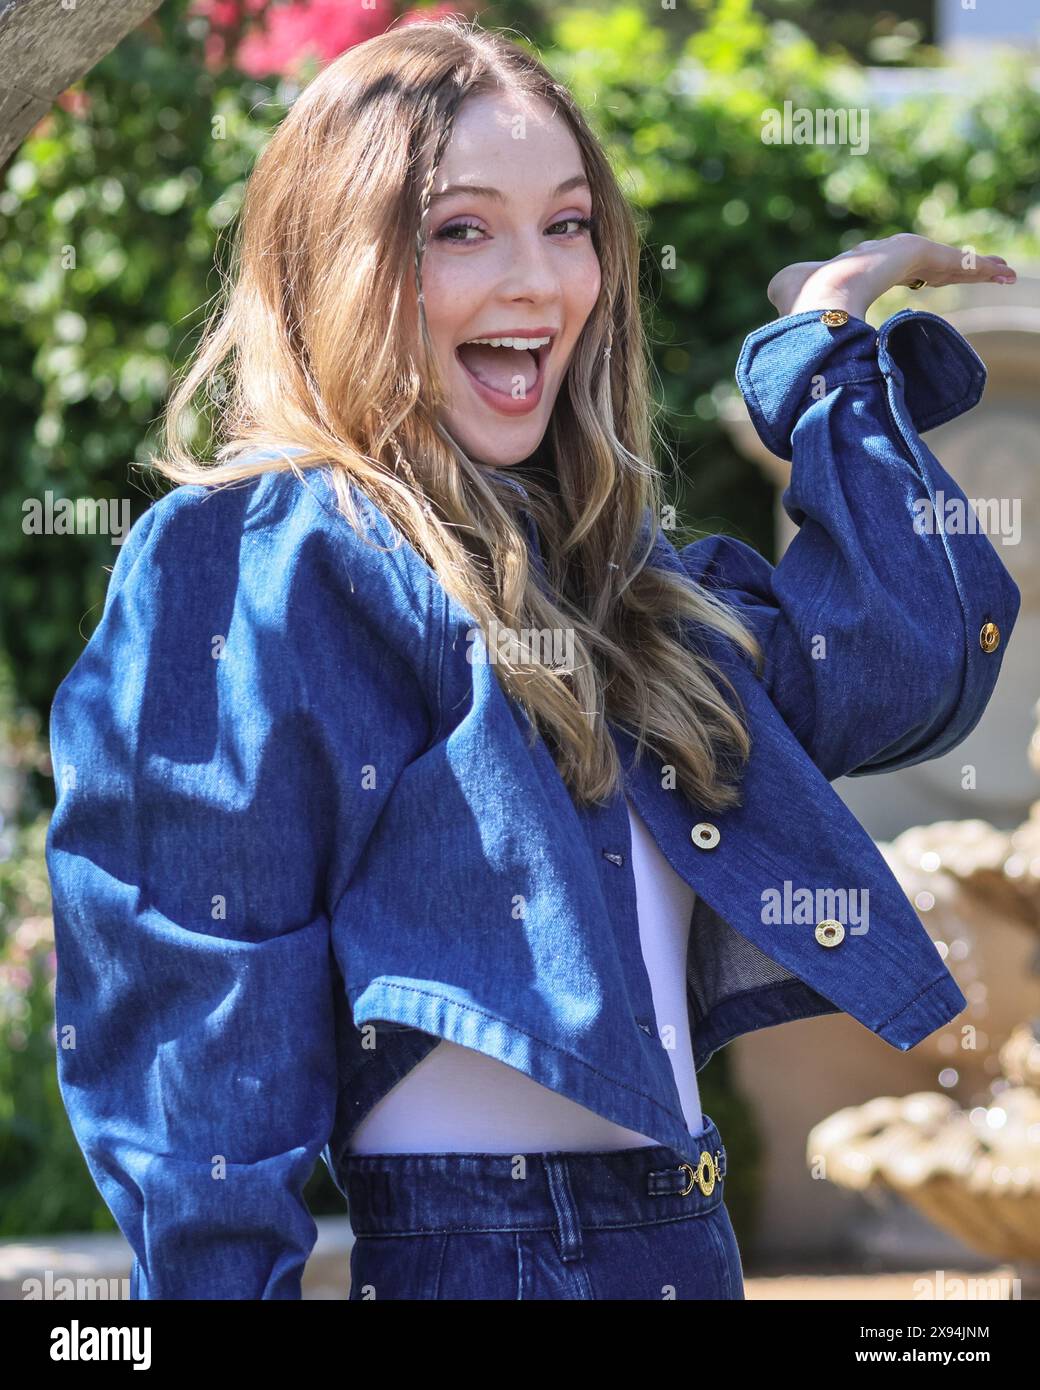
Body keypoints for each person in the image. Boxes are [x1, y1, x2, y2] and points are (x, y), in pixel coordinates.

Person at [45, 17, 1020, 1301]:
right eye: (460, 229)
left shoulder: (627, 579)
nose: (537, 282)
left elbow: (912, 662)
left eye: (568, 227)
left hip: (685, 1234)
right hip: (480, 1255)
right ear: (336, 260)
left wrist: (823, 351)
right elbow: (190, 1000)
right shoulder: (254, 557)